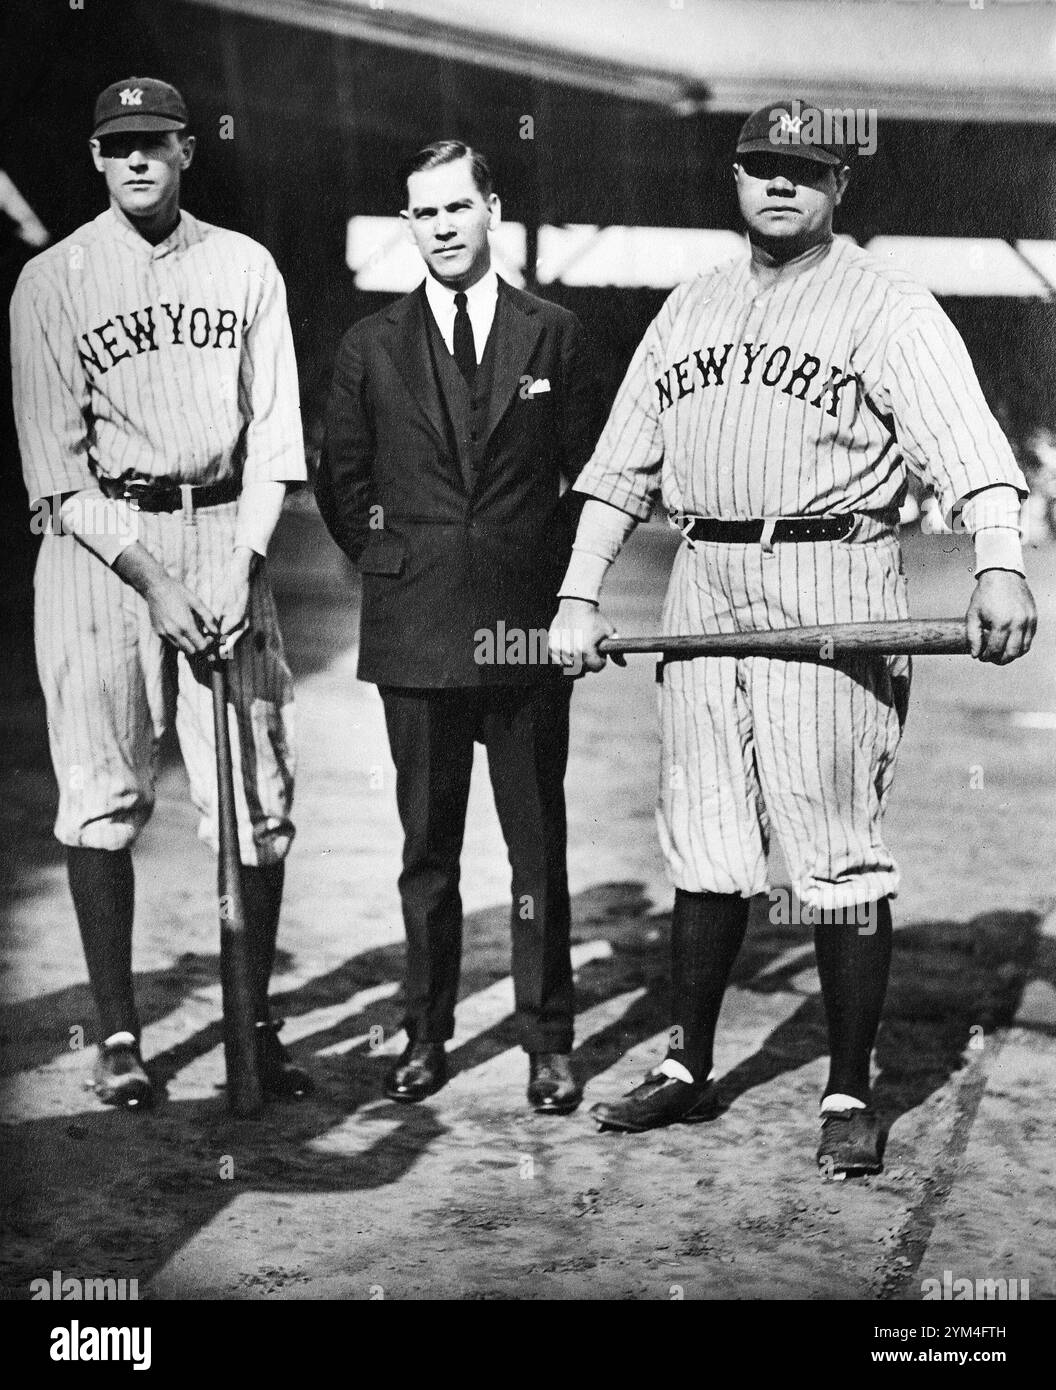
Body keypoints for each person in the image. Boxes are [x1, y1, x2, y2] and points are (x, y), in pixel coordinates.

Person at [549, 100, 1036, 1174]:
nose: (781, 186)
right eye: (763, 166)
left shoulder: (888, 308)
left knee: (832, 846)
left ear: (841, 186)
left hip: (834, 572)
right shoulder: (688, 305)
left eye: (806, 171)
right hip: (703, 577)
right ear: (735, 176)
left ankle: (849, 1087)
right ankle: (689, 1063)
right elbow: (619, 467)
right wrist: (579, 593)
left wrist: (998, 558)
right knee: (708, 836)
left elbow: (970, 448)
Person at [10, 77, 312, 1108]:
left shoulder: (244, 266)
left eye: (155, 143)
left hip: (227, 526)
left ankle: (250, 1025)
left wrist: (238, 561)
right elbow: (54, 471)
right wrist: (154, 578)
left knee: (257, 799)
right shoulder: (52, 281)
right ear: (96, 158)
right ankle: (121, 1035)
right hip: (100, 546)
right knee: (103, 794)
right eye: (117, 146)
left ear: (189, 149)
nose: (137, 160)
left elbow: (276, 439)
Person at [316, 140, 597, 1113]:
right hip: (418, 636)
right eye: (422, 213)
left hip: (523, 639)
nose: (440, 228)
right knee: (427, 855)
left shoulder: (553, 334)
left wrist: (553, 584)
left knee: (537, 851)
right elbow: (341, 482)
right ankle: (426, 1033)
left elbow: (587, 478)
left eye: (455, 208)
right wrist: (396, 565)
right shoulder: (369, 346)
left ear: (491, 209)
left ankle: (548, 1042)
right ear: (409, 224)